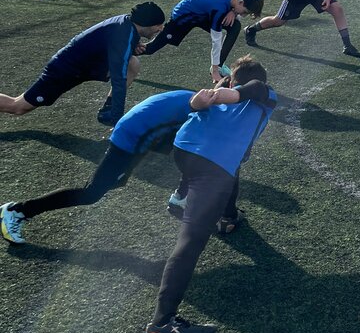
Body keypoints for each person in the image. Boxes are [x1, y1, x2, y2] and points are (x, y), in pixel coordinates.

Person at [145, 55, 277, 333]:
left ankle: (228, 217)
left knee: (232, 167)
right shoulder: (265, 94)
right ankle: (162, 323)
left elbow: (241, 89)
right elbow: (255, 87)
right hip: (211, 165)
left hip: (184, 152)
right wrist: (222, 92)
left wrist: (217, 94)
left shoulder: (227, 94)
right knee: (190, 242)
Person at [0, 85, 235, 245]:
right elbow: (190, 123)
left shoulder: (201, 98)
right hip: (130, 140)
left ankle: (181, 197)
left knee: (123, 180)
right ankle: (17, 210)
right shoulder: (201, 108)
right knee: (91, 193)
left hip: (138, 132)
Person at [0, 2, 165, 125]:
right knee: (18, 107)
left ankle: (107, 110)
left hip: (88, 66)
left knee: (133, 63)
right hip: (65, 69)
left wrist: (131, 48)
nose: (160, 29)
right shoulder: (124, 34)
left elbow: (115, 43)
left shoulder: (129, 25)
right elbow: (118, 78)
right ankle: (111, 113)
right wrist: (118, 119)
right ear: (147, 24)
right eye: (158, 26)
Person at [142, 0, 264, 82]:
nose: (243, 15)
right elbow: (216, 41)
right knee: (151, 48)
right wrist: (214, 71)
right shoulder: (219, 9)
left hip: (201, 14)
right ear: (241, 2)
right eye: (244, 12)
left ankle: (220, 65)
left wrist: (233, 11)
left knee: (235, 26)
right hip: (183, 17)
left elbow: (231, 7)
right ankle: (126, 53)